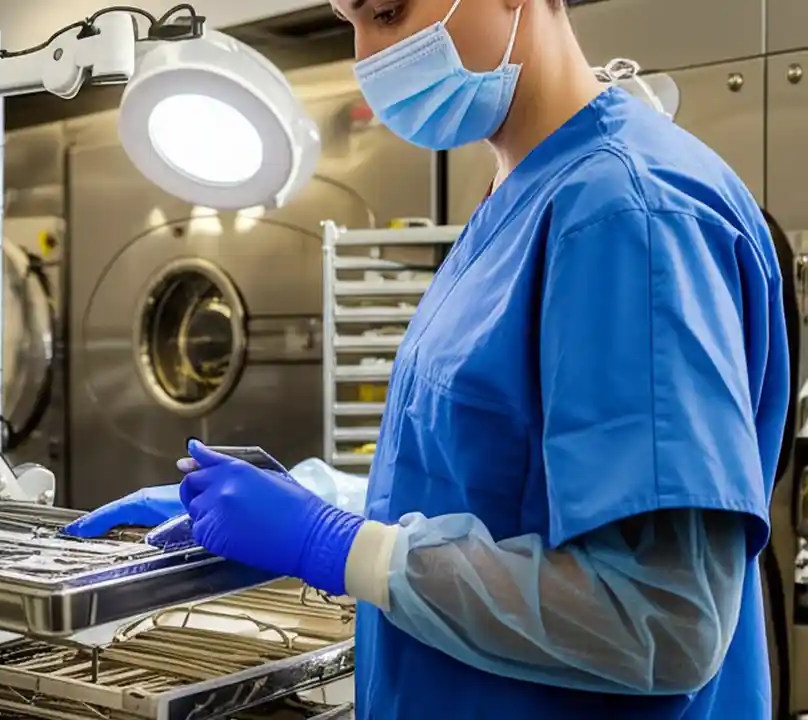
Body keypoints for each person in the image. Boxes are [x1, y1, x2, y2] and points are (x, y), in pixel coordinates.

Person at [66, 0, 789, 717]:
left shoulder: (626, 213)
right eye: (349, 21)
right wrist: (315, 499)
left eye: (387, 11)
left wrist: (338, 546)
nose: (367, 56)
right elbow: (490, 481)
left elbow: (663, 622)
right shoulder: (524, 191)